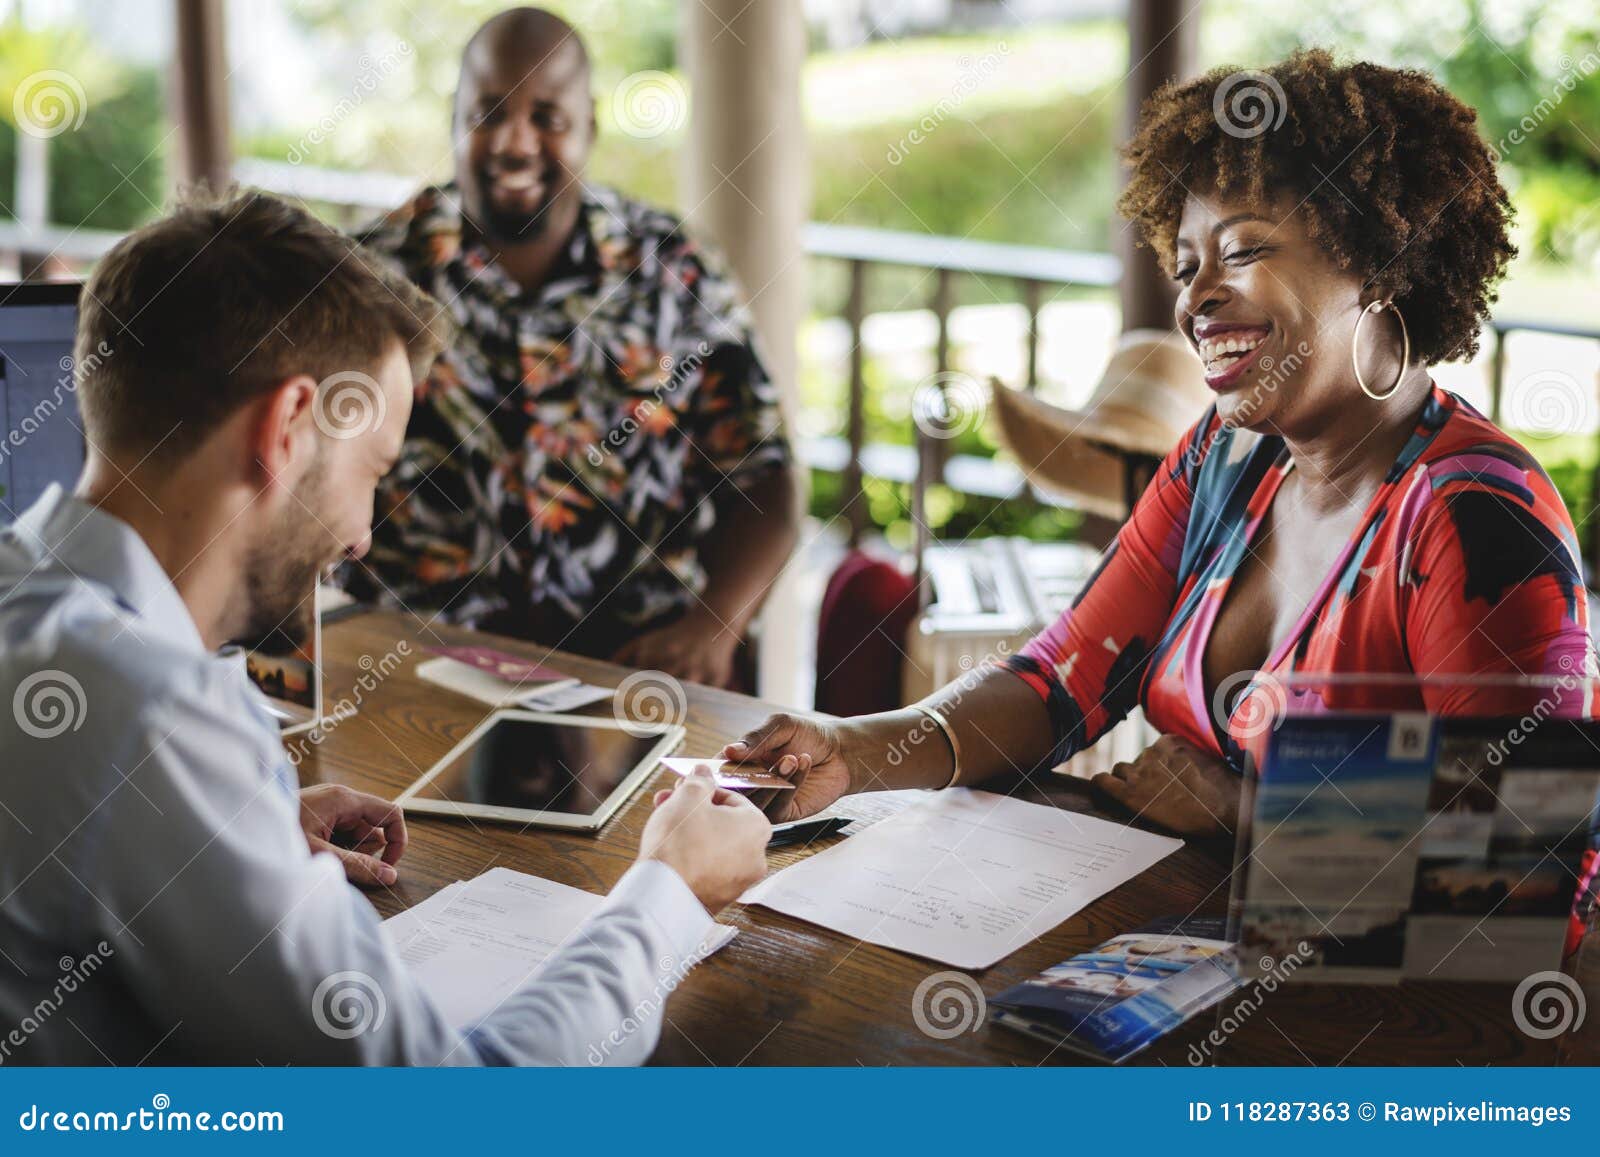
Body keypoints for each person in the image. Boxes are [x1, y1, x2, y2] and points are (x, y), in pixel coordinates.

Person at [728, 50, 1597, 837]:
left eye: (1244, 249)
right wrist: (852, 748)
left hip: (1380, 1012)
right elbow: (1058, 680)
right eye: (1186, 265)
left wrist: (1251, 812)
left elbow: (1537, 844)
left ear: (1382, 264)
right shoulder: (1224, 459)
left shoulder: (1477, 517)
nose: (1196, 299)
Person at [0, 189, 771, 1065]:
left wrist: (231, 827)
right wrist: (669, 891)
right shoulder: (148, 714)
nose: (365, 534)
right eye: (373, 469)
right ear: (288, 426)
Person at [347, 6, 799, 689]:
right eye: (488, 112)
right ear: (453, 116)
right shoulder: (373, 276)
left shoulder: (675, 270)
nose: (514, 143)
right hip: (416, 669)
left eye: (547, 118)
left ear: (590, 122)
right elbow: (304, 473)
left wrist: (715, 625)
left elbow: (767, 477)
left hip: (631, 670)